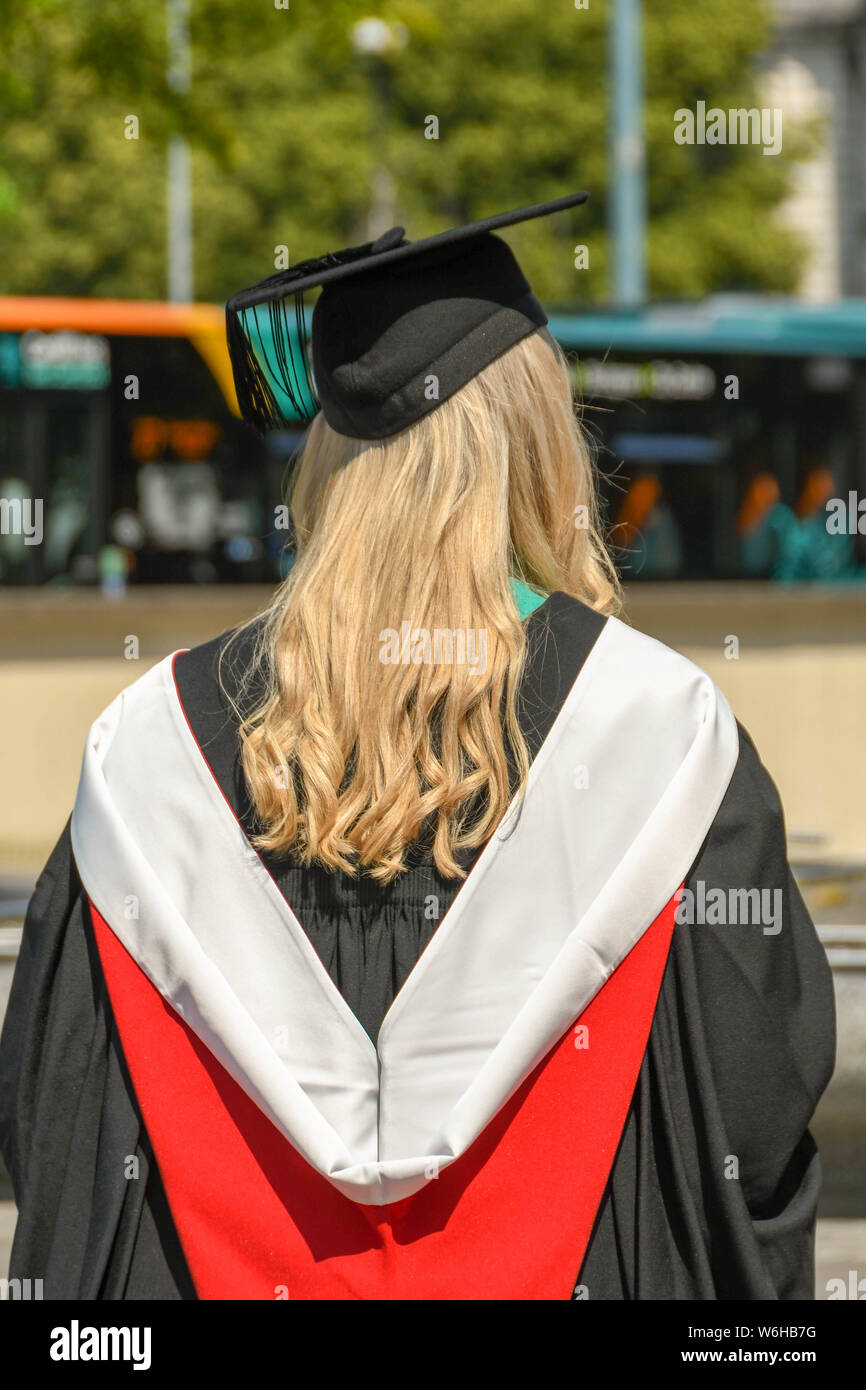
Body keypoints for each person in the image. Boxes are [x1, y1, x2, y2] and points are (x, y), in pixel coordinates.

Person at [0, 195, 835, 1300]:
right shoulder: (660, 736)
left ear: (325, 465)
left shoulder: (153, 752)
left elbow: (53, 1131)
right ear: (539, 441)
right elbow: (754, 1120)